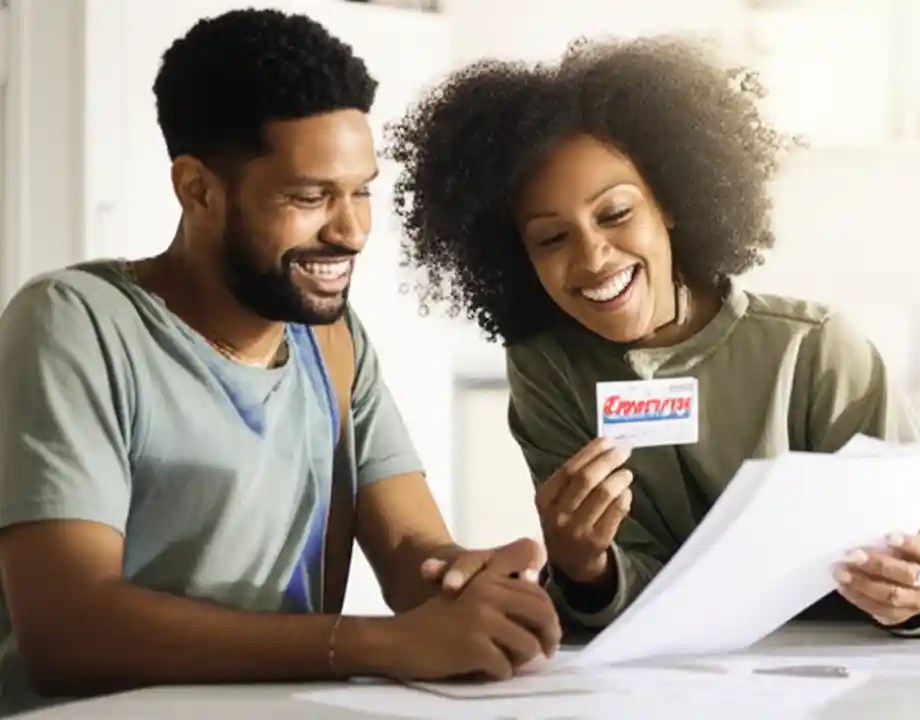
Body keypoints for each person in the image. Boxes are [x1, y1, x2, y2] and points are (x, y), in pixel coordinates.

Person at [0, 9, 558, 715]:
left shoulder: (332, 342)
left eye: (361, 191)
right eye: (309, 196)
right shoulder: (75, 323)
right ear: (197, 190)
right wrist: (373, 644)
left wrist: (474, 587)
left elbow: (415, 551)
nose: (352, 230)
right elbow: (68, 632)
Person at [388, 36, 920, 638]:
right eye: (552, 238)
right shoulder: (548, 368)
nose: (593, 257)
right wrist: (586, 570)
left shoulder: (815, 349)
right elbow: (631, 585)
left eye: (615, 213)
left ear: (669, 202)